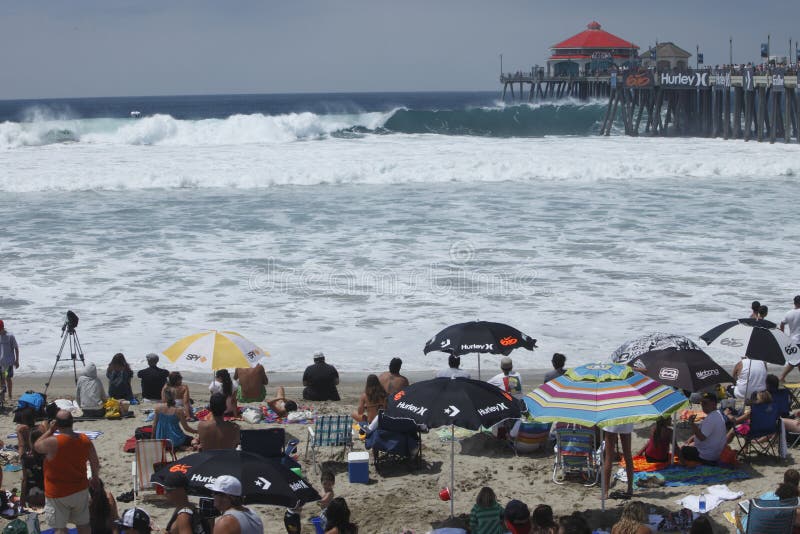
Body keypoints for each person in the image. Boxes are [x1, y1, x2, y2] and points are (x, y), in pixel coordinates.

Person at [34, 410, 102, 534]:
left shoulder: (53, 442)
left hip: (57, 492)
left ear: (57, 424)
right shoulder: (84, 439)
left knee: (60, 528)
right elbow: (94, 461)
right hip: (80, 489)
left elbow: (37, 446)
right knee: (83, 525)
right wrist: (95, 477)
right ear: (72, 422)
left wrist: (50, 430)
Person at [679, 393, 727, 465]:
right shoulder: (718, 414)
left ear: (714, 404)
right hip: (714, 453)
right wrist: (692, 438)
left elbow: (701, 437)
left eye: (705, 403)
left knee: (683, 450)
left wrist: (692, 424)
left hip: (707, 456)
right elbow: (703, 433)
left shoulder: (711, 418)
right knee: (689, 444)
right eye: (702, 403)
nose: (703, 406)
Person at [603, 423, 634, 499]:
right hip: (625, 418)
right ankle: (630, 488)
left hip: (612, 419)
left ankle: (605, 492)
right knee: (628, 456)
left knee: (608, 457)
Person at [20, 428, 45, 509]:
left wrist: (22, 500)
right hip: (46, 496)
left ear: (30, 441)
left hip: (30, 497)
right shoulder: (47, 456)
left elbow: (24, 480)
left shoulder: (25, 457)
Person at [779, 296, 800, 382]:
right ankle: (782, 377)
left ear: (794, 303)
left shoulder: (789, 313)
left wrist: (783, 335)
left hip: (792, 340)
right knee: (795, 361)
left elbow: (782, 323)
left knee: (797, 360)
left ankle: (782, 377)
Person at [0, 319, 20, 399]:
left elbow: (16, 348)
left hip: (9, 362)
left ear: (2, 327)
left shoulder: (10, 336)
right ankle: (2, 397)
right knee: (1, 379)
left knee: (8, 379)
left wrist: (17, 360)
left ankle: (10, 395)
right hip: (0, 362)